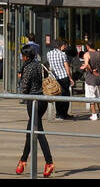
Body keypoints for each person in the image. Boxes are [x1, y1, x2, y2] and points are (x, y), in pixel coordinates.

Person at [16, 42, 54, 177]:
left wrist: (20, 81)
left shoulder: (27, 68)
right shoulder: (39, 65)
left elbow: (25, 88)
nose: (22, 58)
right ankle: (23, 160)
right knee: (30, 131)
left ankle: (49, 162)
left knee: (38, 132)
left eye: (22, 56)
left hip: (33, 102)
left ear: (26, 57)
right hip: (42, 100)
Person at [47, 39, 73, 120]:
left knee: (57, 95)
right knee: (66, 96)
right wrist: (70, 78)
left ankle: (58, 114)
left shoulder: (49, 54)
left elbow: (50, 65)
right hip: (63, 76)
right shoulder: (62, 54)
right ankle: (64, 114)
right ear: (60, 46)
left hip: (55, 77)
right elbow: (67, 68)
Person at [80, 41, 100, 120]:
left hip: (90, 77)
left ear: (87, 46)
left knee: (91, 97)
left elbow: (87, 64)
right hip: (98, 77)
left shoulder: (87, 54)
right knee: (99, 97)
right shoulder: (98, 54)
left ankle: (94, 114)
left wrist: (88, 68)